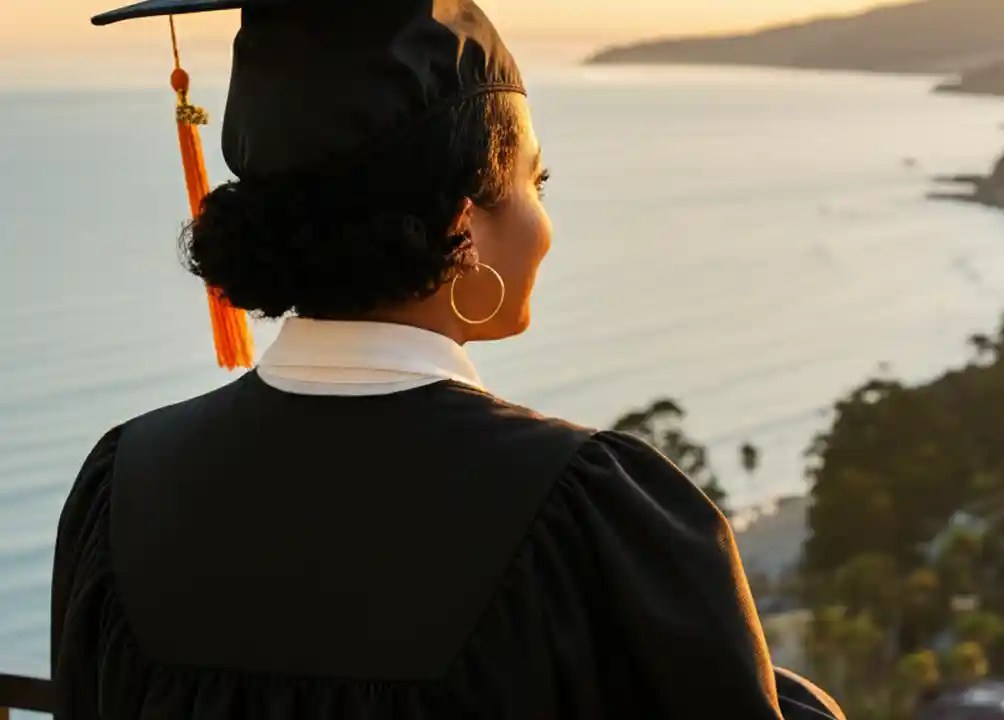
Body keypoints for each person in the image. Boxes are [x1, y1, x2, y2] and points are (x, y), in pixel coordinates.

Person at [51, 1, 847, 718]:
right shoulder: (587, 508)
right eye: (537, 183)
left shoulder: (121, 486)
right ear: (464, 226)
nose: (548, 224)